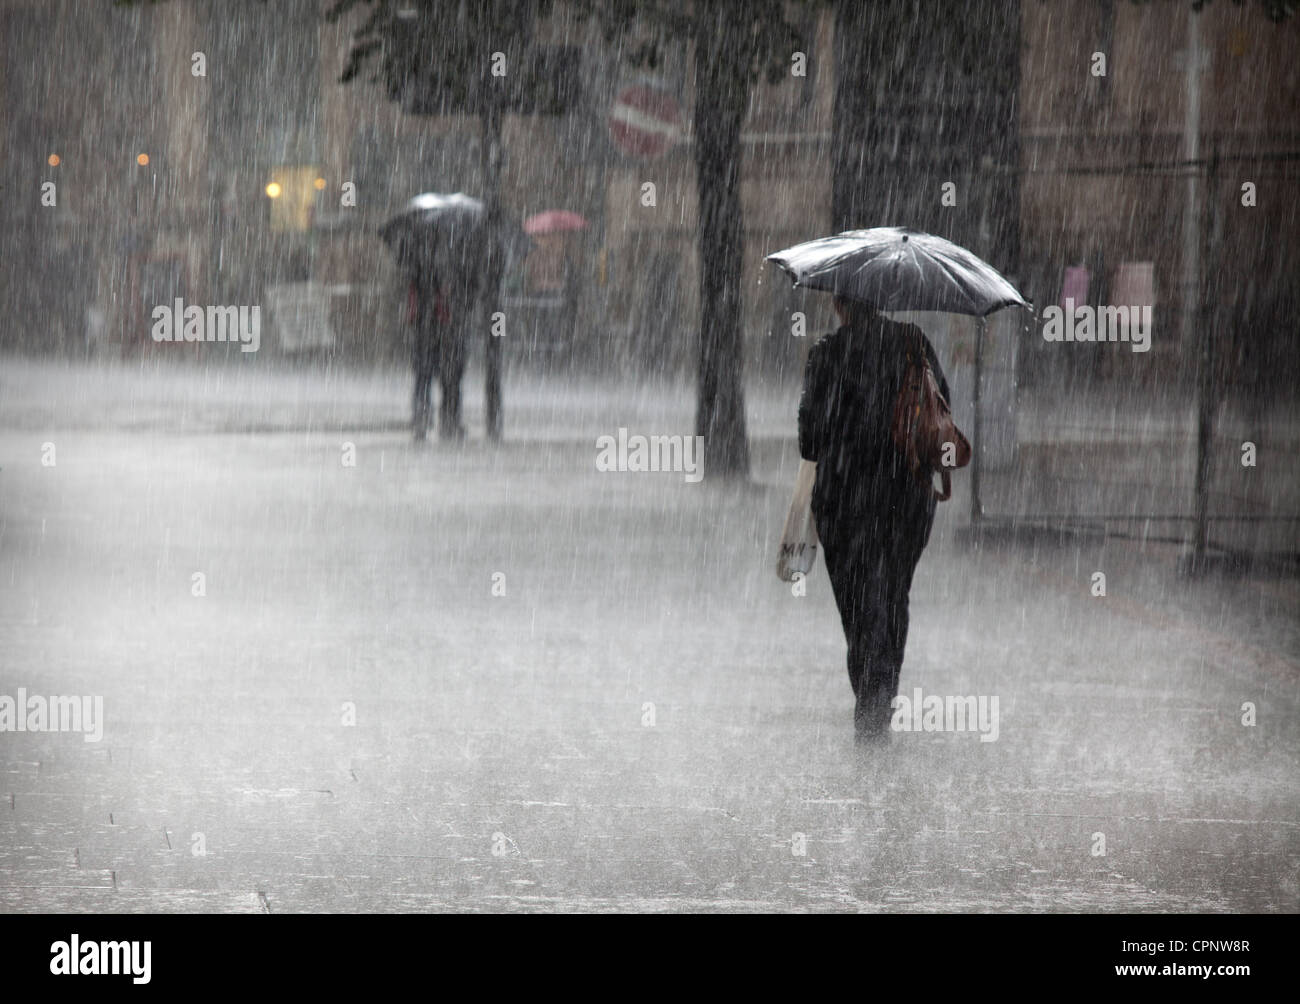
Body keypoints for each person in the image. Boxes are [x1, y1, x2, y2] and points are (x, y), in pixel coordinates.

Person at [798, 295, 951, 744]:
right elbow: (943, 407)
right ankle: (880, 698)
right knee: (893, 595)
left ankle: (870, 698)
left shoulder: (827, 355)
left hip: (846, 501)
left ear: (840, 304)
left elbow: (808, 442)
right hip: (907, 496)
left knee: (858, 607)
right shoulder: (912, 343)